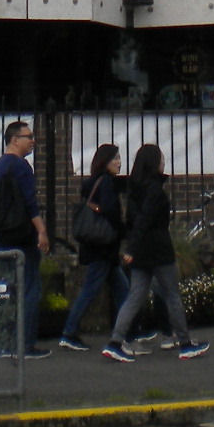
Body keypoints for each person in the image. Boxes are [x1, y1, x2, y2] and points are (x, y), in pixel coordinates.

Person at [102, 143, 209, 362]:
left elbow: (133, 220)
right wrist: (132, 247)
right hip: (158, 248)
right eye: (161, 158)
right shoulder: (154, 190)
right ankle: (185, 343)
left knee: (135, 296)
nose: (164, 162)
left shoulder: (133, 188)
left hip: (141, 250)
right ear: (154, 162)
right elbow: (146, 219)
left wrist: (132, 246)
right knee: (171, 295)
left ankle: (115, 341)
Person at [0, 118, 49, 359]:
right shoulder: (21, 166)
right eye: (29, 137)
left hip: (2, 236)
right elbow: (30, 202)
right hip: (22, 237)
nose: (33, 141)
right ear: (14, 139)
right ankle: (26, 345)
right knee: (30, 289)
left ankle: (7, 341)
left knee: (8, 290)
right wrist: (41, 230)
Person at [57, 143, 128, 351]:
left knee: (123, 290)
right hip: (103, 248)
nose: (119, 163)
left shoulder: (93, 183)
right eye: (114, 159)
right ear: (104, 161)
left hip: (98, 247)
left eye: (119, 158)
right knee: (91, 290)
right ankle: (69, 332)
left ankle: (129, 329)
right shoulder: (106, 183)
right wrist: (124, 230)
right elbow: (110, 212)